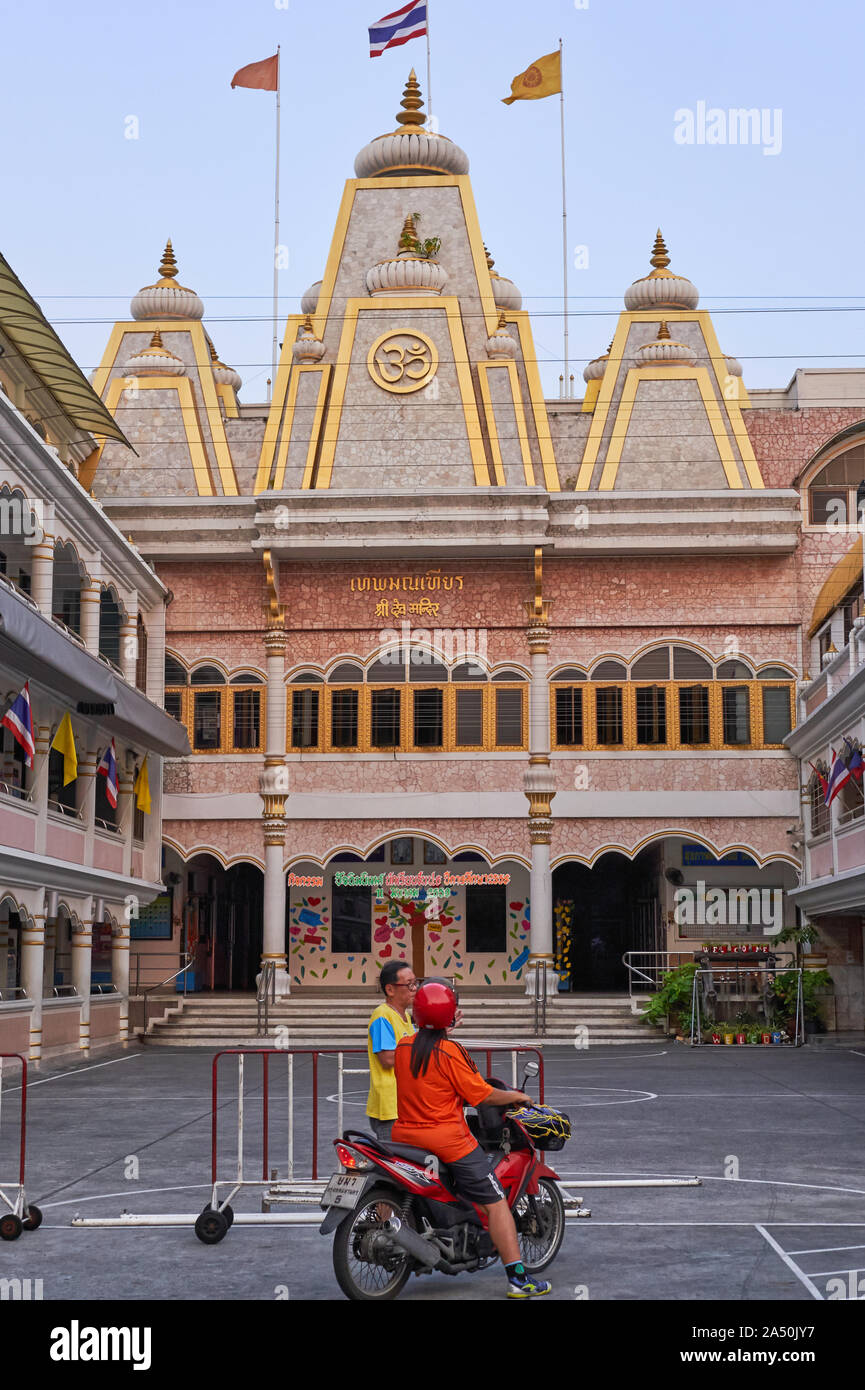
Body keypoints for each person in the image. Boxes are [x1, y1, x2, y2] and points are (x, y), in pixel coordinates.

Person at [391, 979, 552, 1299]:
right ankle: (519, 1280)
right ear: (450, 1015)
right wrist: (515, 1095)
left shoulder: (403, 1046)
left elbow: (429, 1065)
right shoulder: (451, 1052)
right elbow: (481, 1093)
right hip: (448, 1141)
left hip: (404, 1136)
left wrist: (440, 1033)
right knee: (496, 1204)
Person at [366, 960, 417, 1142]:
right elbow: (388, 1059)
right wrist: (423, 1053)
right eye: (409, 984)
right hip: (390, 1107)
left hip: (404, 1104)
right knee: (393, 1162)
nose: (414, 989)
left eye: (415, 983)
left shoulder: (406, 1018)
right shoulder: (382, 1015)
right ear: (390, 990)